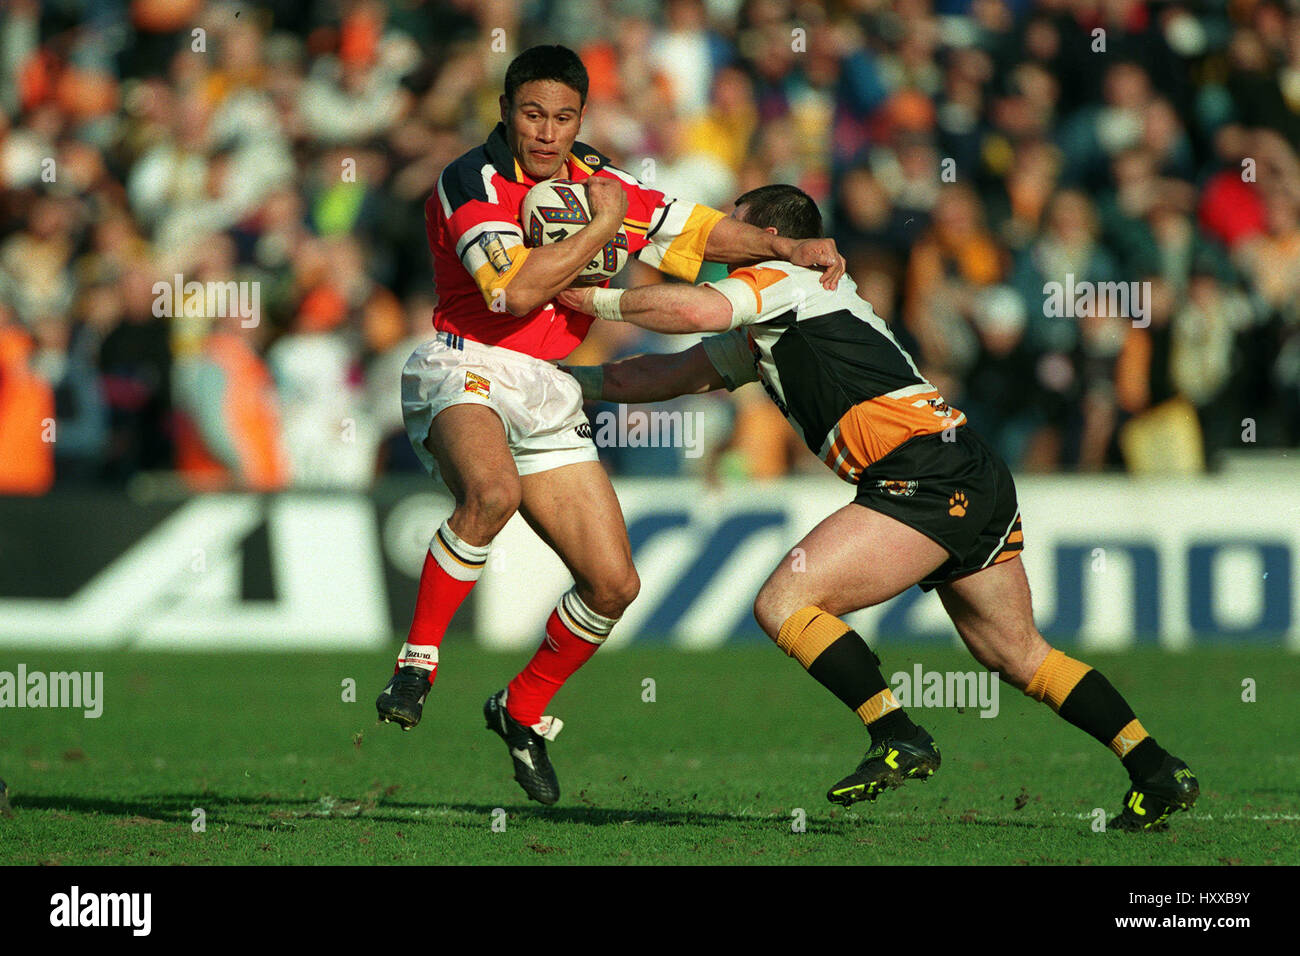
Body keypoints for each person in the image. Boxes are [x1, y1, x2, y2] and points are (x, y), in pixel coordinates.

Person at [558, 184, 1198, 831]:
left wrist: (591, 298)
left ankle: (897, 734)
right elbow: (658, 377)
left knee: (784, 603)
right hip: (962, 468)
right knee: (1019, 655)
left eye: (732, 227)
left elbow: (695, 313)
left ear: (769, 234)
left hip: (922, 471)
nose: (719, 241)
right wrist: (561, 381)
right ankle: (1154, 766)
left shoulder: (783, 276)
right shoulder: (773, 317)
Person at [377, 48, 846, 807]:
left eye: (564, 117)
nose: (548, 132)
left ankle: (520, 711)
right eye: (533, 114)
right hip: (467, 363)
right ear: (505, 110)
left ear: (580, 119)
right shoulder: (471, 179)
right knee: (490, 493)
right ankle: (418, 661)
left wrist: (786, 246)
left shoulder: (596, 173)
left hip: (551, 387)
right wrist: (600, 228)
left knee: (613, 583)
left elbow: (692, 233)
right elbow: (514, 291)